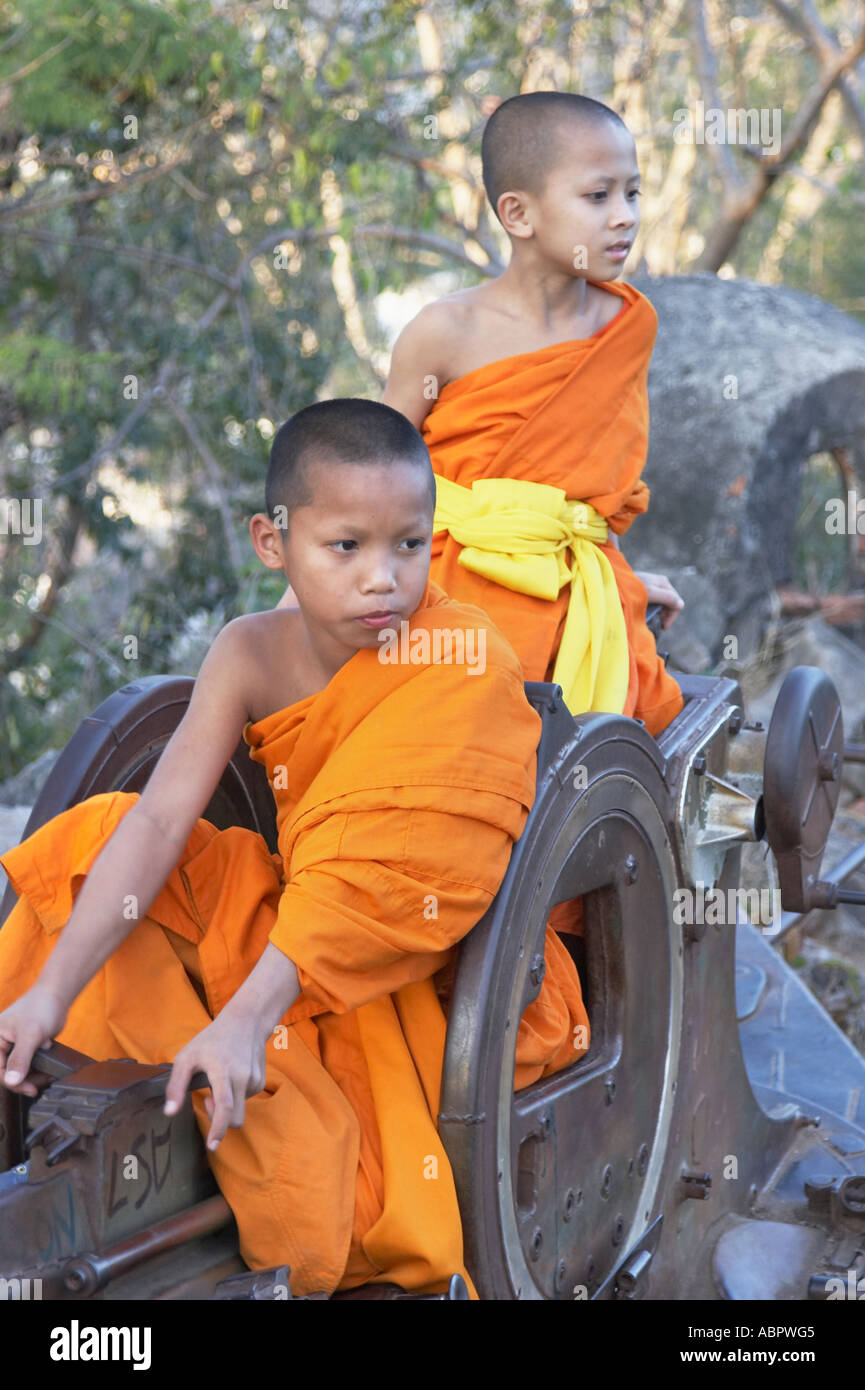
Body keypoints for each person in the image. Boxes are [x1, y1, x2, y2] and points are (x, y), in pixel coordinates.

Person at [0, 399, 588, 1298]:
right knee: (96, 838)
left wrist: (245, 1019)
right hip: (296, 911)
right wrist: (51, 991)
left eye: (408, 545)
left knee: (329, 1189)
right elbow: (157, 823)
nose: (381, 580)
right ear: (272, 543)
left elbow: (403, 877)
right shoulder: (247, 651)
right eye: (344, 546)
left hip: (419, 961)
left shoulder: (462, 654)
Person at [383, 90, 684, 739]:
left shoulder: (625, 324)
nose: (623, 217)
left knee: (612, 749)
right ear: (517, 213)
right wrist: (306, 601)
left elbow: (589, 483)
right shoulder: (445, 333)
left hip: (572, 587)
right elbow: (372, 472)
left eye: (632, 193)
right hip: (449, 583)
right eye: (597, 196)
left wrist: (617, 579)